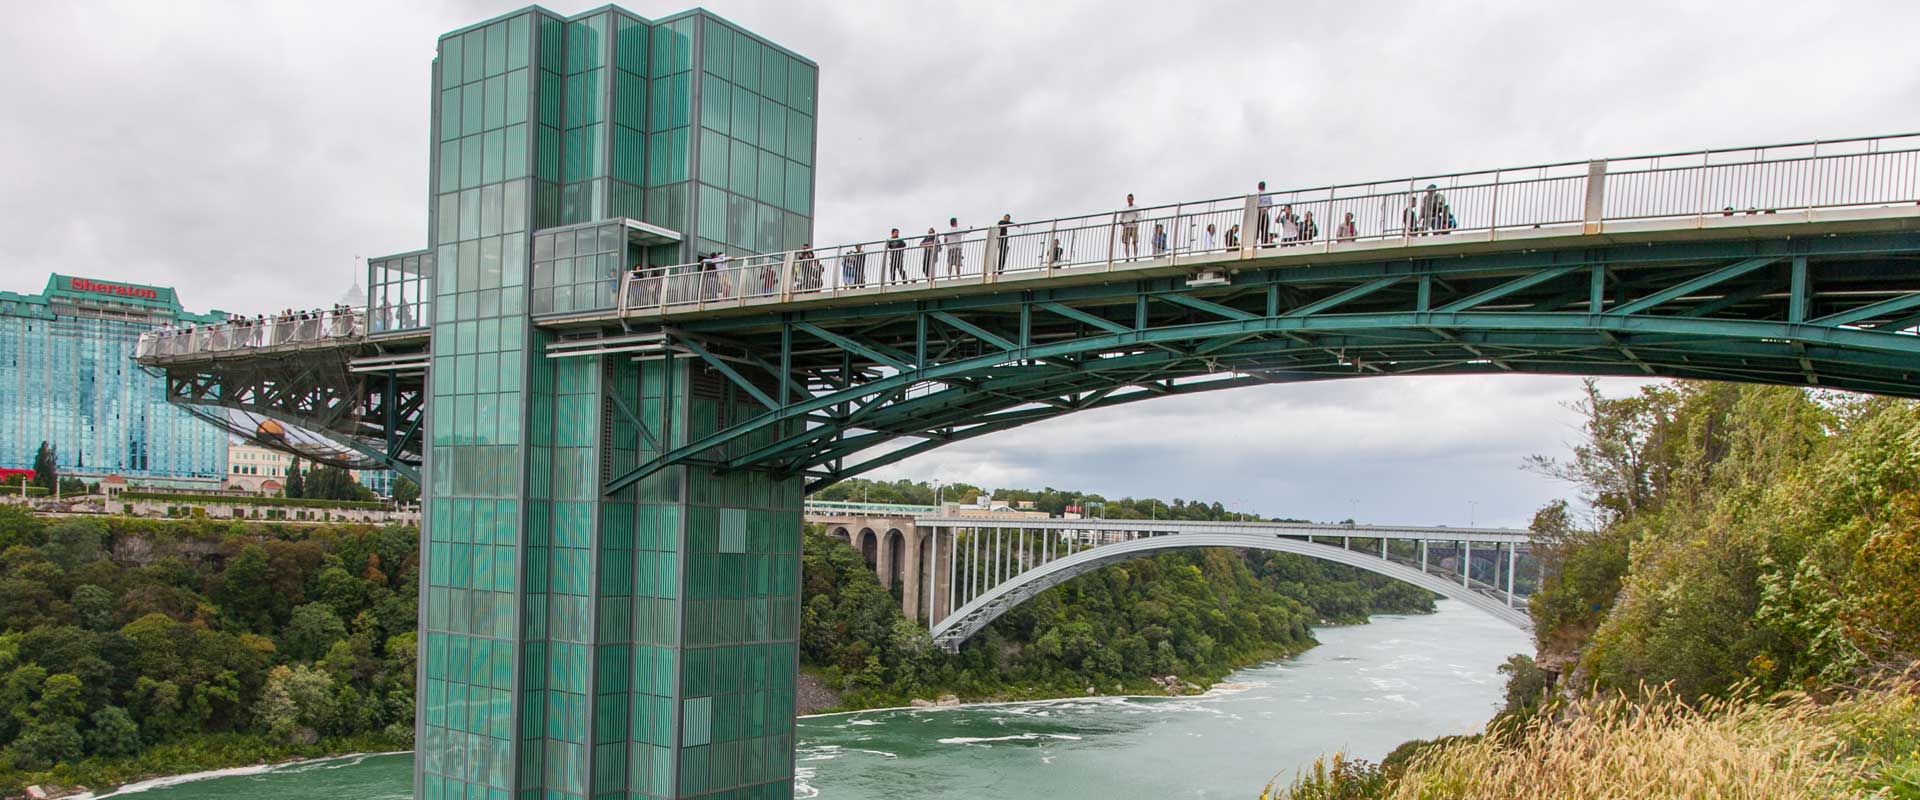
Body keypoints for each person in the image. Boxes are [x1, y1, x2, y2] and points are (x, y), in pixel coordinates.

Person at [1118, 193, 1141, 260]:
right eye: (1128, 199)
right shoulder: (1125, 208)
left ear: (1133, 199)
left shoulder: (1136, 207)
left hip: (1134, 226)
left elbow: (1140, 216)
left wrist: (1135, 220)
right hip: (1127, 226)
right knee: (1126, 242)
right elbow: (1121, 217)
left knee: (1134, 242)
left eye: (1130, 199)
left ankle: (1135, 257)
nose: (1129, 200)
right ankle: (1127, 257)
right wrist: (1121, 222)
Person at [1256, 181, 1274, 245]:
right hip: (1266, 213)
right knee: (1265, 230)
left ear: (1258, 187)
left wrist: (1261, 210)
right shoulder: (1268, 195)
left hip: (1259, 214)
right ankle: (1264, 245)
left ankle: (1255, 243)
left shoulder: (1258, 195)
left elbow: (1256, 205)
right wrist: (1266, 209)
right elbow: (1271, 204)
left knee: (1257, 230)